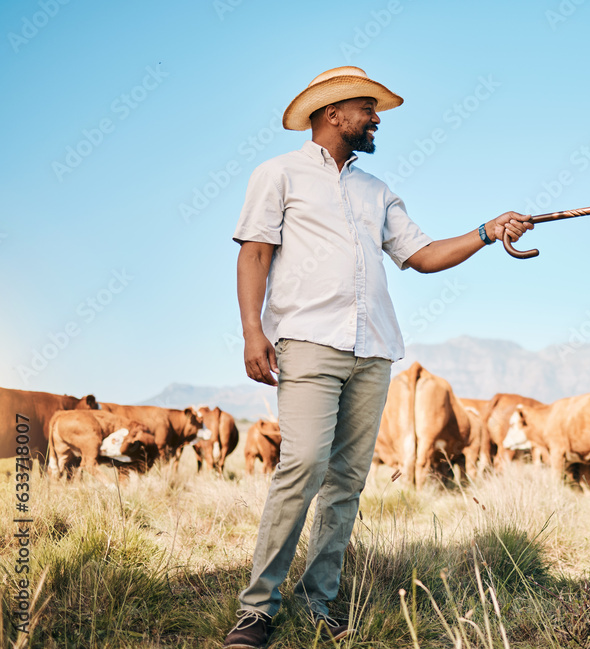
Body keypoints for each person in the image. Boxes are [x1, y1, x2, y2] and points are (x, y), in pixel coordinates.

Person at [223, 66, 532, 648]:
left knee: (345, 480)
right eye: (367, 109)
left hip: (373, 351)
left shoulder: (377, 190)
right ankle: (258, 609)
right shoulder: (278, 174)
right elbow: (255, 254)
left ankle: (322, 603)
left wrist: (488, 232)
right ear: (333, 113)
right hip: (309, 341)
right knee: (304, 465)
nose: (377, 118)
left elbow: (423, 254)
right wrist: (251, 332)